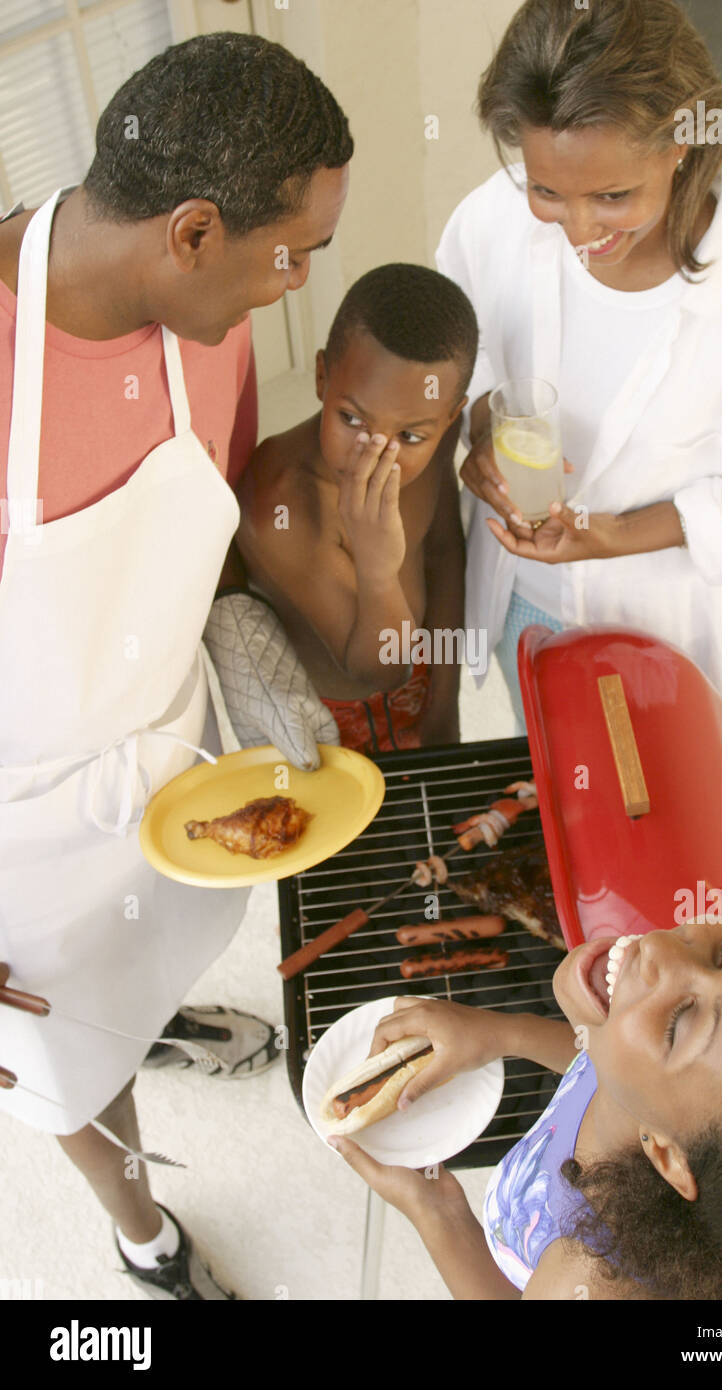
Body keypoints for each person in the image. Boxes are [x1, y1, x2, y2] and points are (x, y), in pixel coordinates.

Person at [0, 32, 352, 1299]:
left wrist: (249, 631)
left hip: (163, 759)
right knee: (62, 1064)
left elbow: (205, 530)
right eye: (290, 253)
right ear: (195, 231)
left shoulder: (201, 322)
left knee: (150, 954)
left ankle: (152, 1023)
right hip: (18, 846)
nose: (298, 278)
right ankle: (144, 1238)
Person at [435, 0, 722, 726]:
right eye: (547, 190)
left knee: (661, 802)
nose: (578, 229)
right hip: (522, 597)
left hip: (663, 623)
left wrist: (620, 534)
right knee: (544, 770)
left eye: (613, 196)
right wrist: (480, 431)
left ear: (683, 147)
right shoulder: (490, 225)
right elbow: (456, 361)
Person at [329, 921, 722, 1299]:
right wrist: (499, 1033)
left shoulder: (582, 1276)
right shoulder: (668, 1103)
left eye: (681, 1024)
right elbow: (601, 1068)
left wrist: (436, 1212)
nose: (661, 947)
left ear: (668, 1156)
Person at [236, 264, 478, 755]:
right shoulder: (278, 505)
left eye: (409, 436)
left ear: (450, 416)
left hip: (427, 682)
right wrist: (376, 570)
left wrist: (444, 705)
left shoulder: (436, 434)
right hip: (336, 729)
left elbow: (443, 553)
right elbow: (382, 668)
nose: (375, 455)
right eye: (351, 419)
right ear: (322, 377)